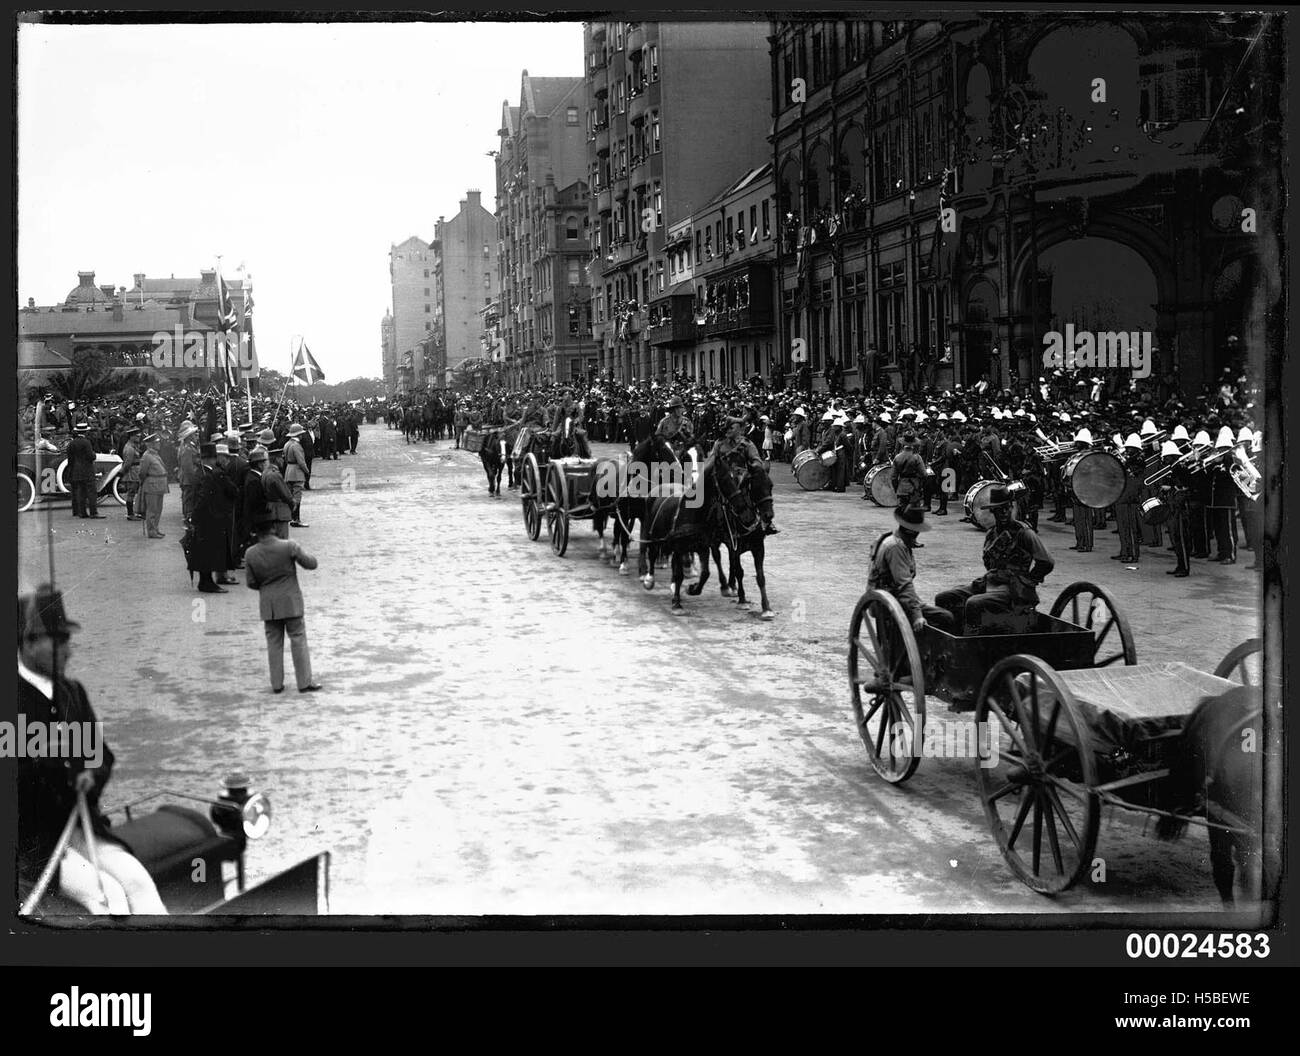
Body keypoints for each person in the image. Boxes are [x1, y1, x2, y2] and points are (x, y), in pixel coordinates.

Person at [17, 586, 168, 914]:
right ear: (28, 642)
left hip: (79, 824)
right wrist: (50, 762)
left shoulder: (73, 692)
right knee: (107, 895)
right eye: (58, 642)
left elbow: (102, 756)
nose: (69, 651)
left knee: (138, 881)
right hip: (31, 844)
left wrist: (90, 776)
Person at [935, 485, 1055, 635]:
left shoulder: (1024, 533)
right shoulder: (992, 533)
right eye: (999, 509)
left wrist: (1027, 581)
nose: (1004, 512)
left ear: (1011, 508)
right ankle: (954, 637)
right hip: (991, 583)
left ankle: (972, 643)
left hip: (1013, 590)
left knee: (974, 603)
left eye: (1007, 508)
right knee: (944, 598)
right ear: (993, 511)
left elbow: (1047, 562)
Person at [244, 515, 323, 694]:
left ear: (256, 532)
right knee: (298, 639)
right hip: (291, 601)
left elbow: (251, 582)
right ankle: (304, 682)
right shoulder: (288, 546)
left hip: (269, 605)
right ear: (273, 529)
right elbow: (311, 564)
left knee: (274, 643)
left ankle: (277, 684)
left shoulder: (250, 553)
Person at [867, 508, 956, 633]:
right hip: (889, 602)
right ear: (914, 532)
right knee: (946, 617)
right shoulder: (896, 548)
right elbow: (904, 584)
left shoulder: (894, 540)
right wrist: (917, 615)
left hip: (888, 598)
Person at [707, 415, 777, 533]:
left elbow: (756, 460)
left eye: (731, 428)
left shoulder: (747, 444)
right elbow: (711, 460)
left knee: (761, 488)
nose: (728, 430)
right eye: (727, 428)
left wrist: (754, 466)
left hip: (742, 478)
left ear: (740, 429)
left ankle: (766, 521)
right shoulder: (719, 444)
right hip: (723, 479)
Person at [66, 423, 103, 519]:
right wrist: (94, 454)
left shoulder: (72, 443)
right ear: (86, 432)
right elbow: (91, 456)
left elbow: (70, 459)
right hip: (87, 470)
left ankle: (82, 512)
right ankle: (93, 512)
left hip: (76, 470)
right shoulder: (86, 442)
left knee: (81, 492)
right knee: (91, 492)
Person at [137, 433, 169, 538]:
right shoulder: (146, 456)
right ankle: (151, 531)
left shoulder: (155, 454)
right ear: (150, 444)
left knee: (158, 509)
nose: (159, 444)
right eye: (156, 442)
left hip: (159, 485)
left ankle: (156, 528)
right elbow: (142, 473)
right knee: (152, 510)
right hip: (151, 485)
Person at [261, 445, 295, 539]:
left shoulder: (265, 472)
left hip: (270, 510)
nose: (283, 461)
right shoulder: (275, 475)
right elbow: (286, 495)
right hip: (280, 511)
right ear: (276, 459)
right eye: (281, 458)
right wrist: (293, 504)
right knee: (282, 539)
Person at [890, 432, 928, 511]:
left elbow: (893, 477)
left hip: (902, 487)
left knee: (902, 511)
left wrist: (896, 488)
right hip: (914, 487)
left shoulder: (897, 457)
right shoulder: (917, 457)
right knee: (913, 513)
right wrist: (920, 485)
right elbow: (924, 474)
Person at [284, 422, 310, 528]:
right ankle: (296, 519)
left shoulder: (287, 444)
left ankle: (292, 517)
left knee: (290, 495)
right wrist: (307, 471)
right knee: (297, 496)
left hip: (288, 470)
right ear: (298, 435)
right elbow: (301, 461)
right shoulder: (296, 446)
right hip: (297, 472)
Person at [120, 427, 143, 521]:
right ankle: (130, 514)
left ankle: (134, 512)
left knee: (133, 493)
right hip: (132, 473)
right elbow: (128, 463)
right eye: (136, 435)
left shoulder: (133, 446)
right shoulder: (130, 448)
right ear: (131, 437)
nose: (138, 437)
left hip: (135, 472)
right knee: (131, 493)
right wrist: (123, 473)